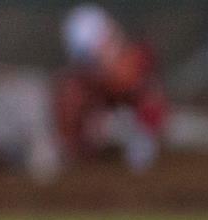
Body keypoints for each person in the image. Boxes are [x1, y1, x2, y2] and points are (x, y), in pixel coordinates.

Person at [55, 4, 166, 172]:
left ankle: (139, 140)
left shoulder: (133, 65)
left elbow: (150, 99)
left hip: (131, 123)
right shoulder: (76, 86)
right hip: (92, 141)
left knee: (146, 95)